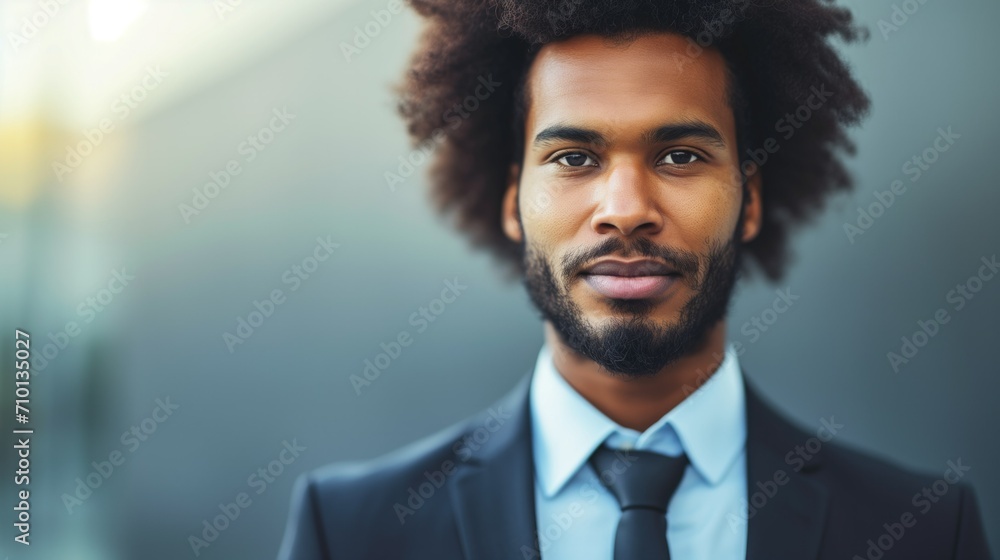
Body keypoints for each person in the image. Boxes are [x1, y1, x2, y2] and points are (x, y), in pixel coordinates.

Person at [278, 1, 992, 558]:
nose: (626, 211)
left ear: (751, 202)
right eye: (573, 159)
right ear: (510, 202)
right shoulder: (352, 533)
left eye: (680, 156)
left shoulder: (922, 531)